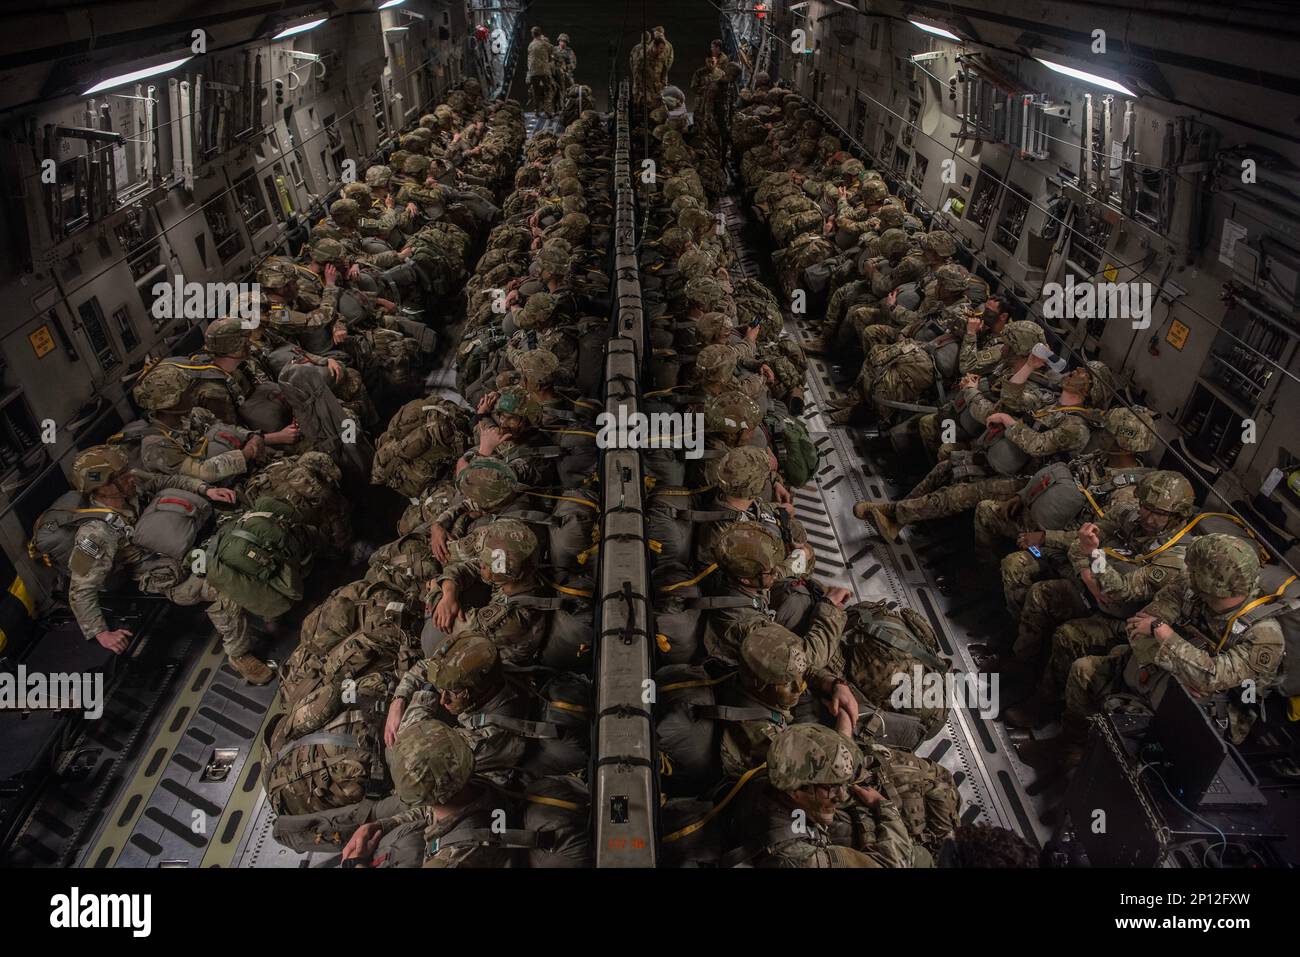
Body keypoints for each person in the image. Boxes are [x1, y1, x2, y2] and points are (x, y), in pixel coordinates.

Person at [59, 445, 273, 683]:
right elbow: (80, 588)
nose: (131, 476)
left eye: (126, 471)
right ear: (101, 487)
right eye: (121, 476)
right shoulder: (95, 534)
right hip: (166, 574)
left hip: (188, 543)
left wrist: (205, 489)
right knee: (224, 586)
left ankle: (267, 600)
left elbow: (165, 481)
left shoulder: (131, 484)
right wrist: (100, 632)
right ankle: (239, 654)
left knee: (247, 535)